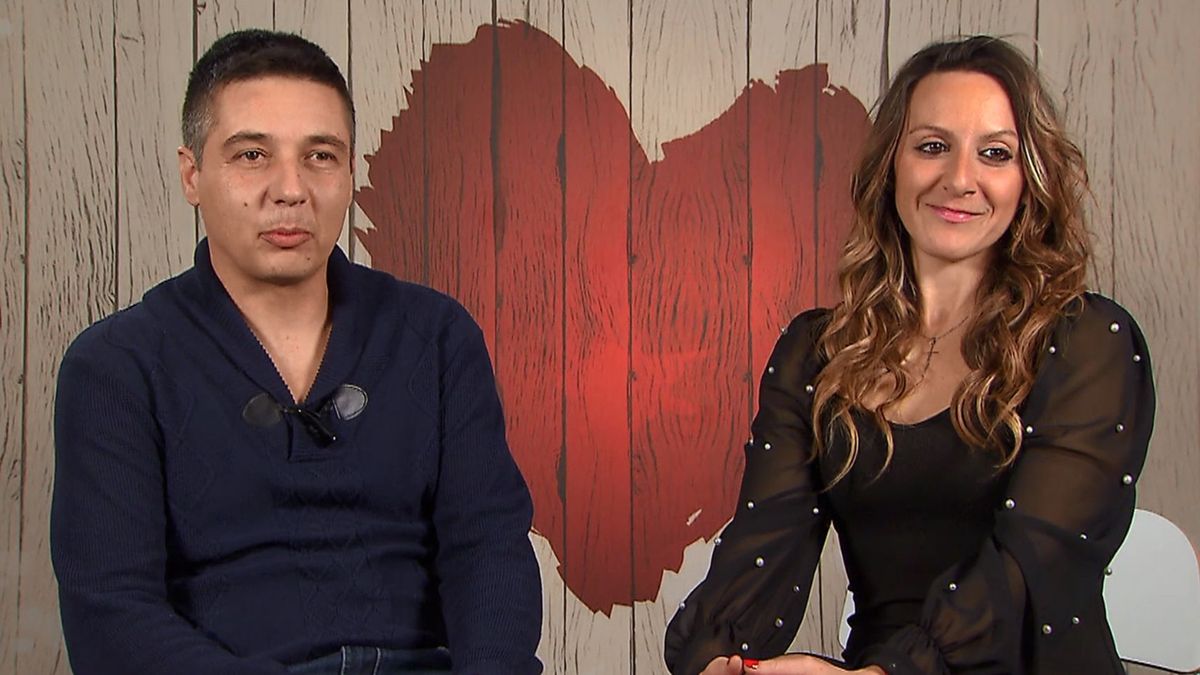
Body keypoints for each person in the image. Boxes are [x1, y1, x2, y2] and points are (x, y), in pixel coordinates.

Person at [51, 29, 542, 675]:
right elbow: (111, 617)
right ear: (193, 174)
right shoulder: (117, 365)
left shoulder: (437, 336)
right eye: (252, 154)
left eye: (320, 156)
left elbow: (490, 550)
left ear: (349, 172)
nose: (291, 189)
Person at [664, 35, 1155, 675]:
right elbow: (761, 552)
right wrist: (719, 661)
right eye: (932, 146)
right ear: (891, 164)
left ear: (1029, 179)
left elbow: (1032, 565)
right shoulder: (817, 354)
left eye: (995, 153)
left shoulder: (1089, 341)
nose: (960, 179)